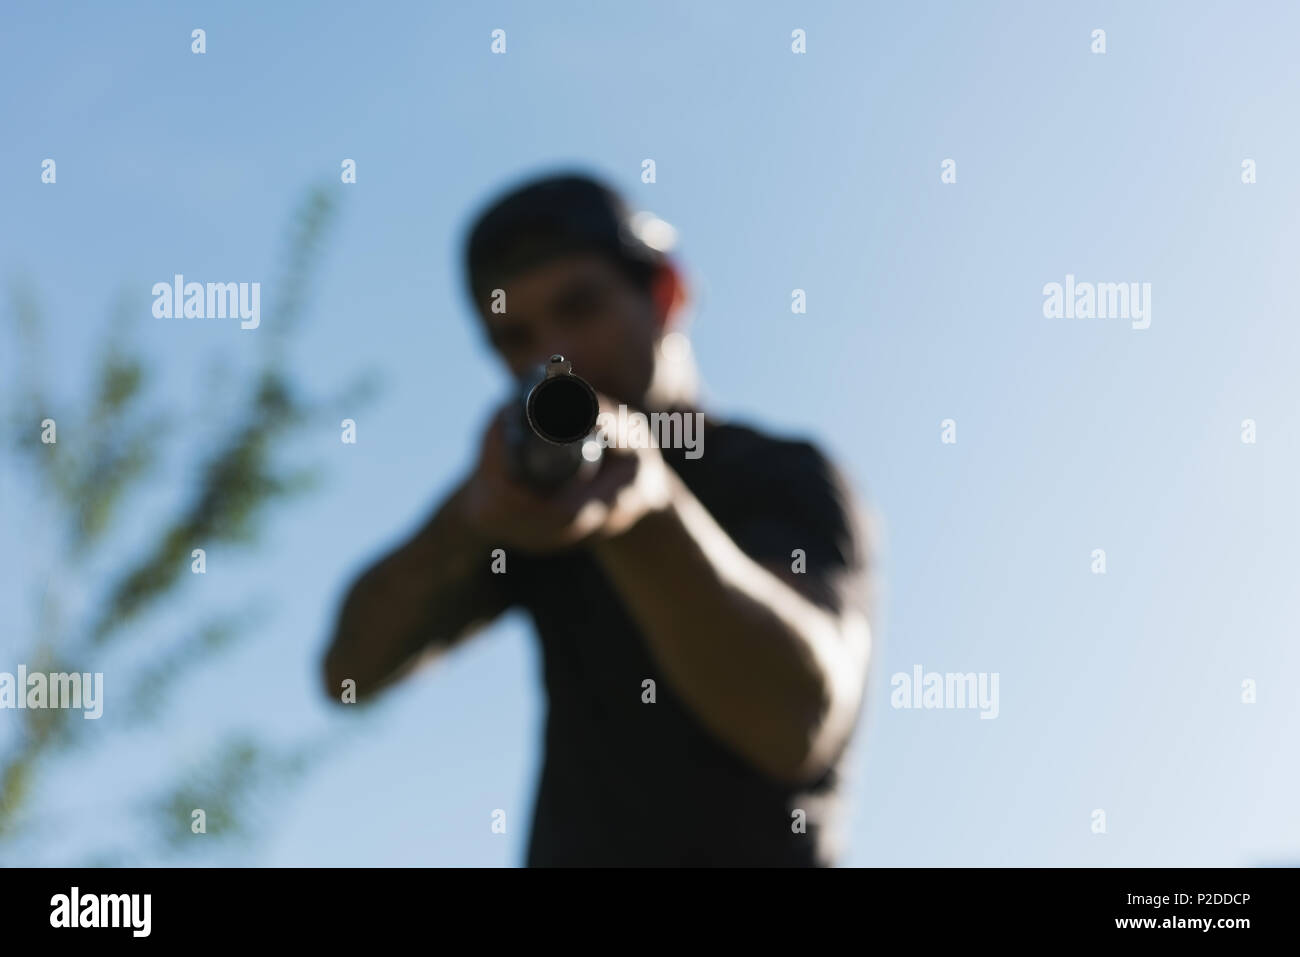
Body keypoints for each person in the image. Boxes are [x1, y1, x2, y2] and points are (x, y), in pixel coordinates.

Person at [322, 171, 875, 866]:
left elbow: (801, 719)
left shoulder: (778, 473)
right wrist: (468, 518)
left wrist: (646, 517)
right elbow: (347, 672)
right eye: (513, 337)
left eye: (579, 307)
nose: (552, 355)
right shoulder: (527, 508)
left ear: (666, 293)